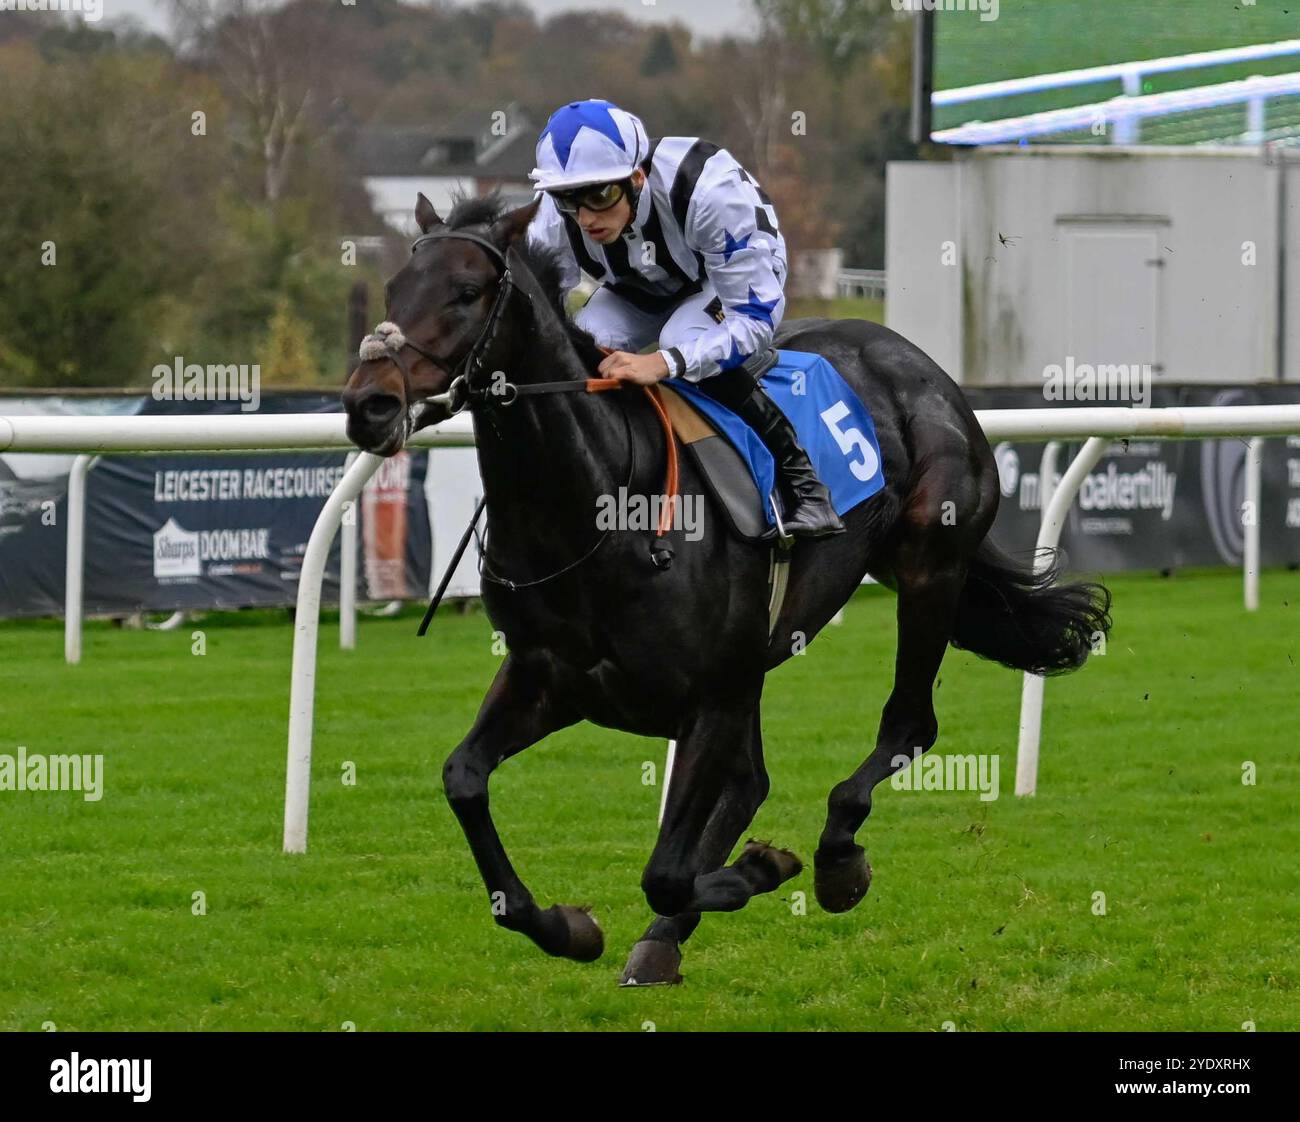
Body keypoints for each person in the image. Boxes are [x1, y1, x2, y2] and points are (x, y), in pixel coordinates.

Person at [527, 98, 844, 539]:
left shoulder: (709, 192)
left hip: (724, 281)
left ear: (636, 179)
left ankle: (806, 485)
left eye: (600, 195)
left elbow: (753, 321)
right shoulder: (552, 218)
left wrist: (662, 362)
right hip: (637, 290)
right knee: (585, 346)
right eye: (567, 199)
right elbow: (541, 316)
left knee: (683, 336)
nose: (585, 217)